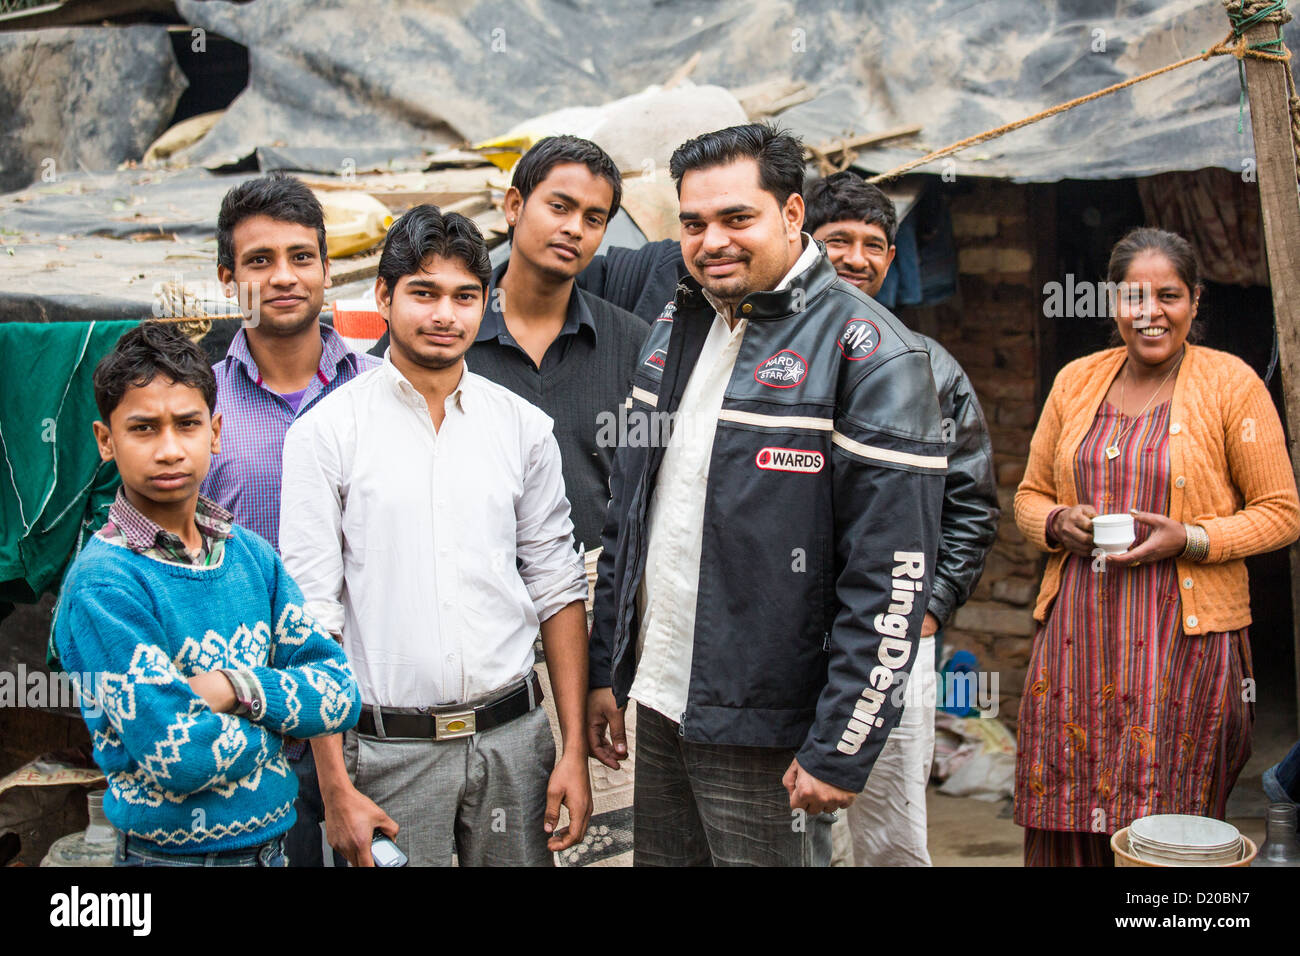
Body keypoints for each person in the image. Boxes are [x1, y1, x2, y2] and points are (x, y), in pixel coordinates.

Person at [585, 123, 948, 866]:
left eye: (736, 219)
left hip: (770, 724)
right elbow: (632, 514)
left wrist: (842, 747)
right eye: (694, 223)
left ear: (791, 214)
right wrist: (607, 672)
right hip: (661, 700)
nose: (711, 240)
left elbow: (894, 574)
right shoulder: (676, 325)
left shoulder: (872, 355)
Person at [280, 205, 592, 866]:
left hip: (516, 743)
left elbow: (558, 588)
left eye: (463, 297)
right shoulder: (325, 433)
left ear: (486, 304)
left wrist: (571, 752)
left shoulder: (522, 427)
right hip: (386, 752)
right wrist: (335, 787)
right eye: (423, 293)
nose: (444, 315)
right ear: (384, 297)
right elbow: (311, 620)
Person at [1014, 226, 1300, 865]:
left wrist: (1192, 538)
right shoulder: (1076, 382)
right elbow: (1028, 498)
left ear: (1195, 301)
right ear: (1112, 303)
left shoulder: (1231, 384)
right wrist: (1060, 522)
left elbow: (1282, 514)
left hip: (1184, 642)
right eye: (1134, 296)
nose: (1151, 313)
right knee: (1068, 802)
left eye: (1168, 295)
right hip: (1076, 641)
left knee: (1169, 820)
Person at [52, 321, 361, 867]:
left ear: (215, 433)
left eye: (187, 424)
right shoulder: (104, 584)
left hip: (272, 849)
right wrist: (281, 726)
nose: (170, 449)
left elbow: (338, 695)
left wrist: (229, 686)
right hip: (168, 860)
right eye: (144, 429)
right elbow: (181, 757)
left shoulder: (250, 556)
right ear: (106, 441)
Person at [805, 170, 999, 867]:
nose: (858, 258)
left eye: (875, 245)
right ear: (803, 243)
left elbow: (971, 504)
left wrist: (931, 606)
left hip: (889, 640)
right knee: (787, 825)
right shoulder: (772, 358)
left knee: (887, 830)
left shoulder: (929, 368)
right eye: (838, 241)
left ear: (893, 259)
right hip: (782, 639)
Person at [202, 171, 379, 867]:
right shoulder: (199, 410)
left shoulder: (380, 390)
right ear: (226, 277)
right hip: (242, 723)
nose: (284, 276)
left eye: (301, 257)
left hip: (372, 715)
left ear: (328, 271)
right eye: (259, 260)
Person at [466, 135, 649, 586]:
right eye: (559, 207)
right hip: (471, 595)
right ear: (514, 206)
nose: (574, 229)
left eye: (594, 218)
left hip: (600, 597)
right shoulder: (450, 331)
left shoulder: (633, 343)